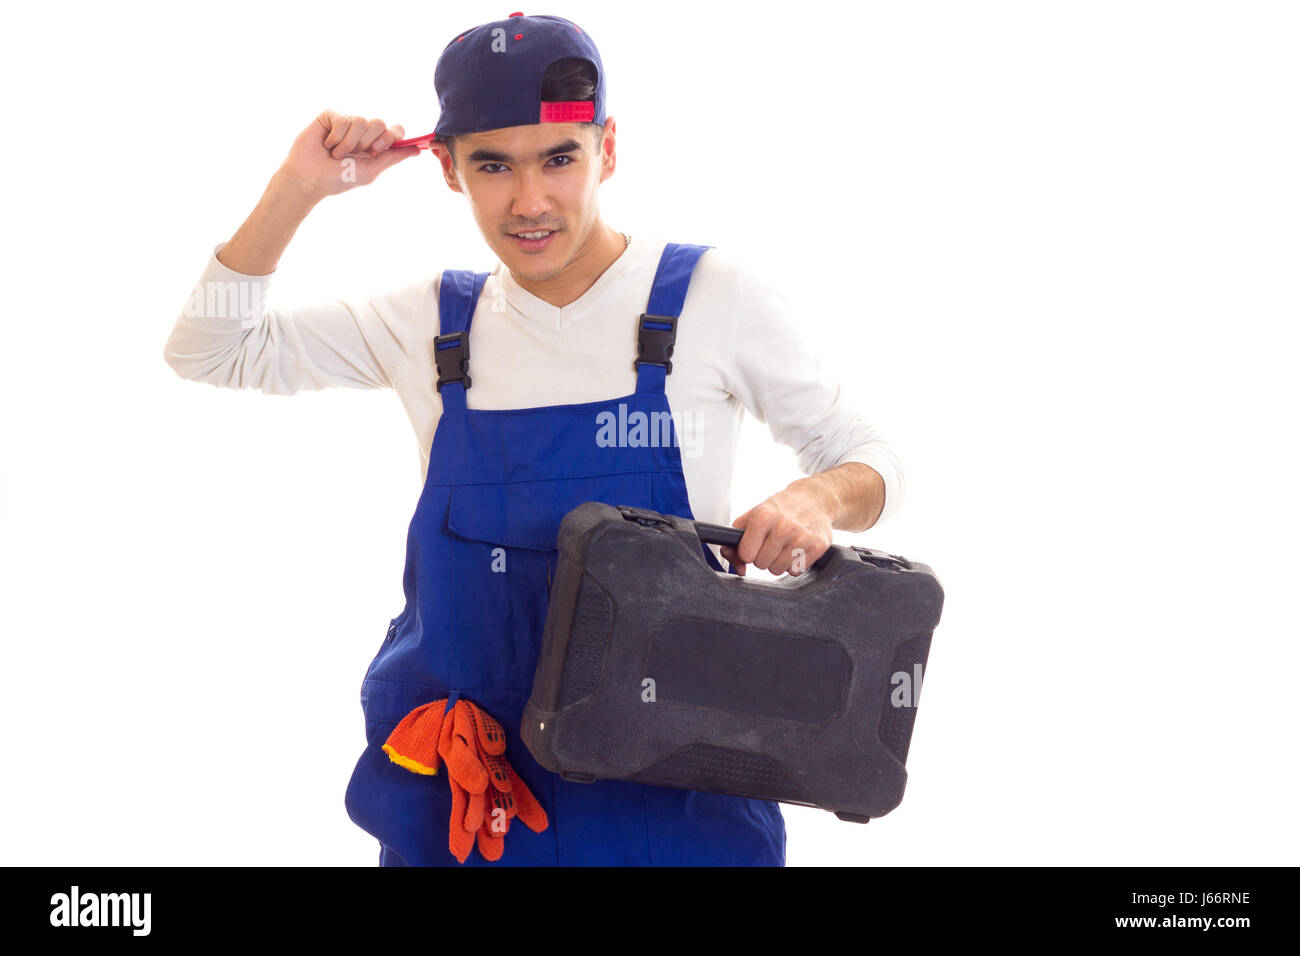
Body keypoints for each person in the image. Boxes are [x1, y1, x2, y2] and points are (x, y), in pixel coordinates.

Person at [162, 12, 905, 867]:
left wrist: (817, 496)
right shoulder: (432, 327)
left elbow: (874, 459)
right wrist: (299, 185)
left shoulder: (712, 297)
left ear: (608, 150)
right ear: (447, 169)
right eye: (492, 165)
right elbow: (207, 348)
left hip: (676, 817)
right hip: (472, 813)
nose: (529, 201)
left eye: (559, 159)